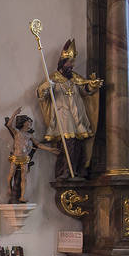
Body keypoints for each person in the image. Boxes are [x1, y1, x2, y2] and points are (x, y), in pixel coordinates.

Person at [36, 38, 102, 178]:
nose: (72, 65)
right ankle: (65, 170)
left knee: (78, 145)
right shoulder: (53, 78)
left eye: (72, 62)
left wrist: (91, 86)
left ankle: (77, 170)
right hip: (64, 117)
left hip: (77, 116)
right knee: (68, 144)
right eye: (70, 62)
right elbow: (42, 94)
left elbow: (84, 91)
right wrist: (47, 86)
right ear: (62, 63)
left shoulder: (75, 78)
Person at [3, 107, 58, 204]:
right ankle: (8, 187)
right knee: (11, 174)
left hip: (24, 158)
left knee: (24, 178)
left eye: (30, 122)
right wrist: (14, 114)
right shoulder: (17, 132)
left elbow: (38, 145)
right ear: (24, 123)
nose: (30, 124)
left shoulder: (29, 135)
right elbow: (9, 125)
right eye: (28, 122)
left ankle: (22, 197)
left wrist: (50, 149)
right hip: (16, 157)